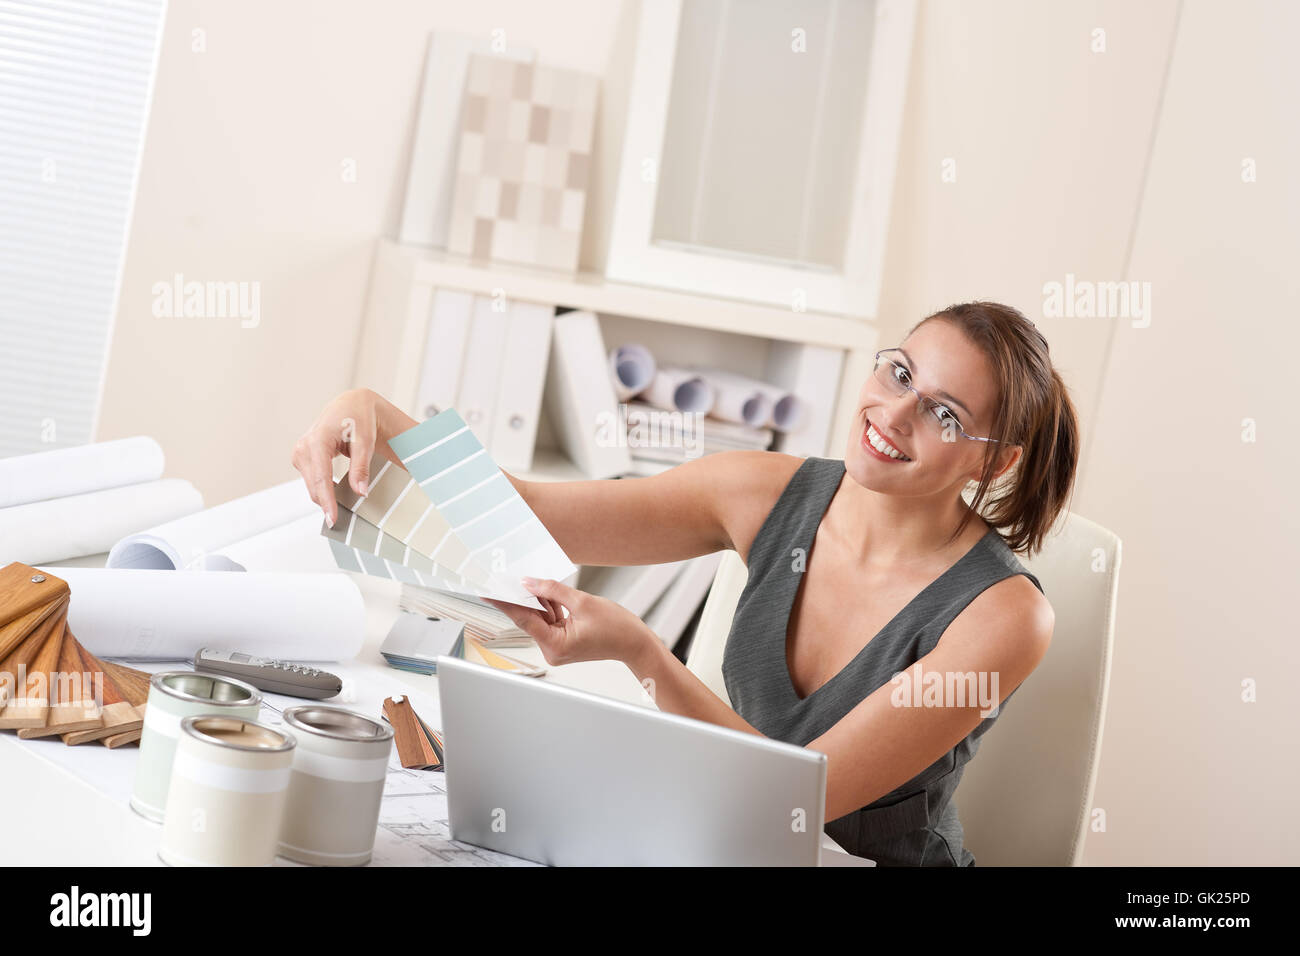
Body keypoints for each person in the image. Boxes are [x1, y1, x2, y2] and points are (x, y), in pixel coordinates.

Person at [292, 300, 1078, 865]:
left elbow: (801, 801)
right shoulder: (766, 492)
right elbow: (532, 511)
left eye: (944, 414)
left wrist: (643, 653)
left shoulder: (1004, 617)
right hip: (720, 841)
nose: (896, 413)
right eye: (900, 373)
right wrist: (373, 411)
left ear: (993, 460)